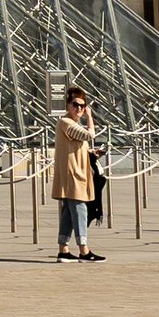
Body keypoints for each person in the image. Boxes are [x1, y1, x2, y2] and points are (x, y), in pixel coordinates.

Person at [51, 89, 100, 262]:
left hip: (75, 171)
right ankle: (84, 250)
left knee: (69, 212)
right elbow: (89, 135)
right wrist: (90, 117)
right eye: (75, 104)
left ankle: (63, 249)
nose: (79, 108)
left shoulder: (71, 124)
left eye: (82, 105)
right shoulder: (66, 122)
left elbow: (78, 145)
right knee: (80, 210)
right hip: (73, 173)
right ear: (68, 105)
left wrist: (92, 153)